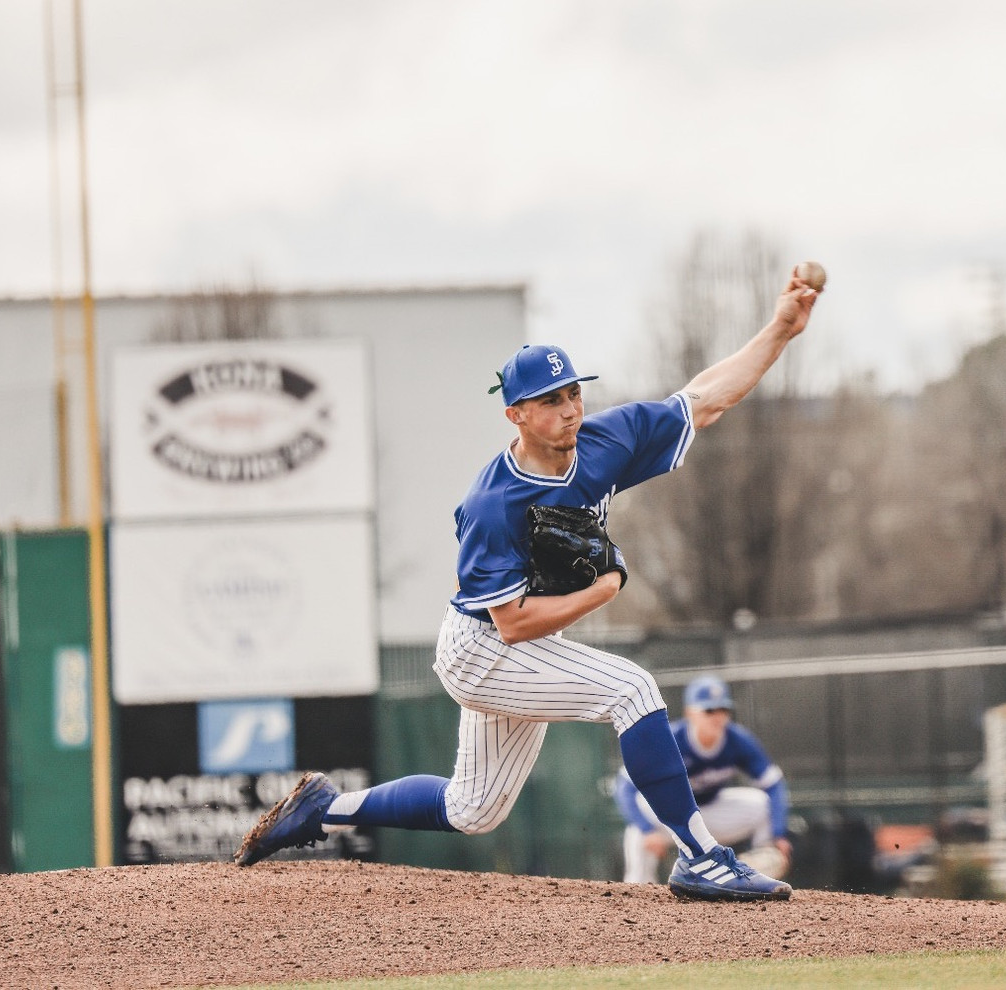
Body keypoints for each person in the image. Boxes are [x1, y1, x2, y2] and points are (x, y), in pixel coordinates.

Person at [233, 266, 821, 902]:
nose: (569, 410)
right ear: (515, 414)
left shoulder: (601, 442)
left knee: (474, 809)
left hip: (525, 646)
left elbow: (705, 399)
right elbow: (511, 623)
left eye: (572, 394)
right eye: (550, 401)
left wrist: (780, 331)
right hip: (484, 649)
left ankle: (324, 808)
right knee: (632, 689)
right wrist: (599, 594)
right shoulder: (494, 505)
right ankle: (702, 857)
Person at [615, 675, 792, 884]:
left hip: (712, 812)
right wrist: (646, 830)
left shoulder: (738, 740)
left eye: (723, 710)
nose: (717, 716)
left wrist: (779, 833)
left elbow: (773, 785)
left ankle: (757, 879)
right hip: (673, 816)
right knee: (641, 813)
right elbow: (624, 786)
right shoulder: (671, 740)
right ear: (691, 712)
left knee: (762, 805)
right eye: (709, 710)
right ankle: (638, 886)